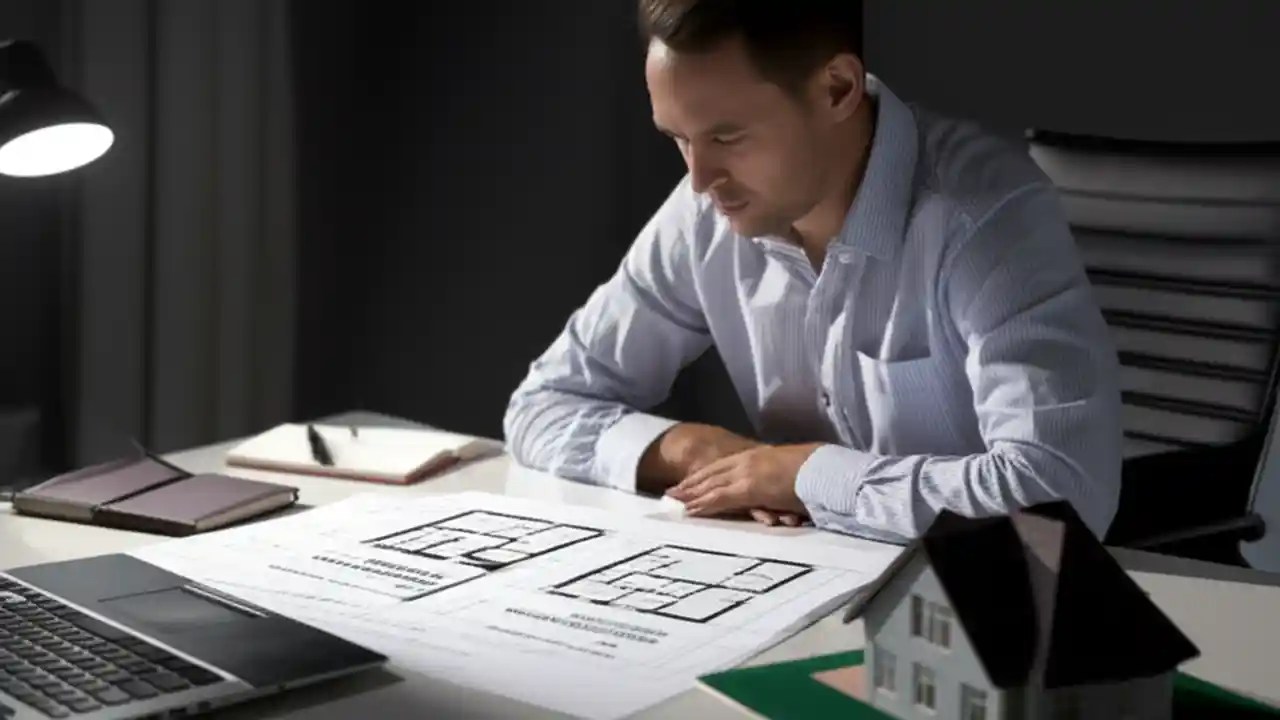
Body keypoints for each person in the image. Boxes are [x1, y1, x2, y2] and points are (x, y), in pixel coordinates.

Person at [503, 0, 1123, 543]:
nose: (698, 179)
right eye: (678, 138)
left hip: (982, 612)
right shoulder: (706, 211)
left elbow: (1057, 496)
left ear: (836, 89)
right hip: (809, 579)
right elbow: (542, 406)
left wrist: (803, 475)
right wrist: (694, 451)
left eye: (727, 136)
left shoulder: (985, 221)